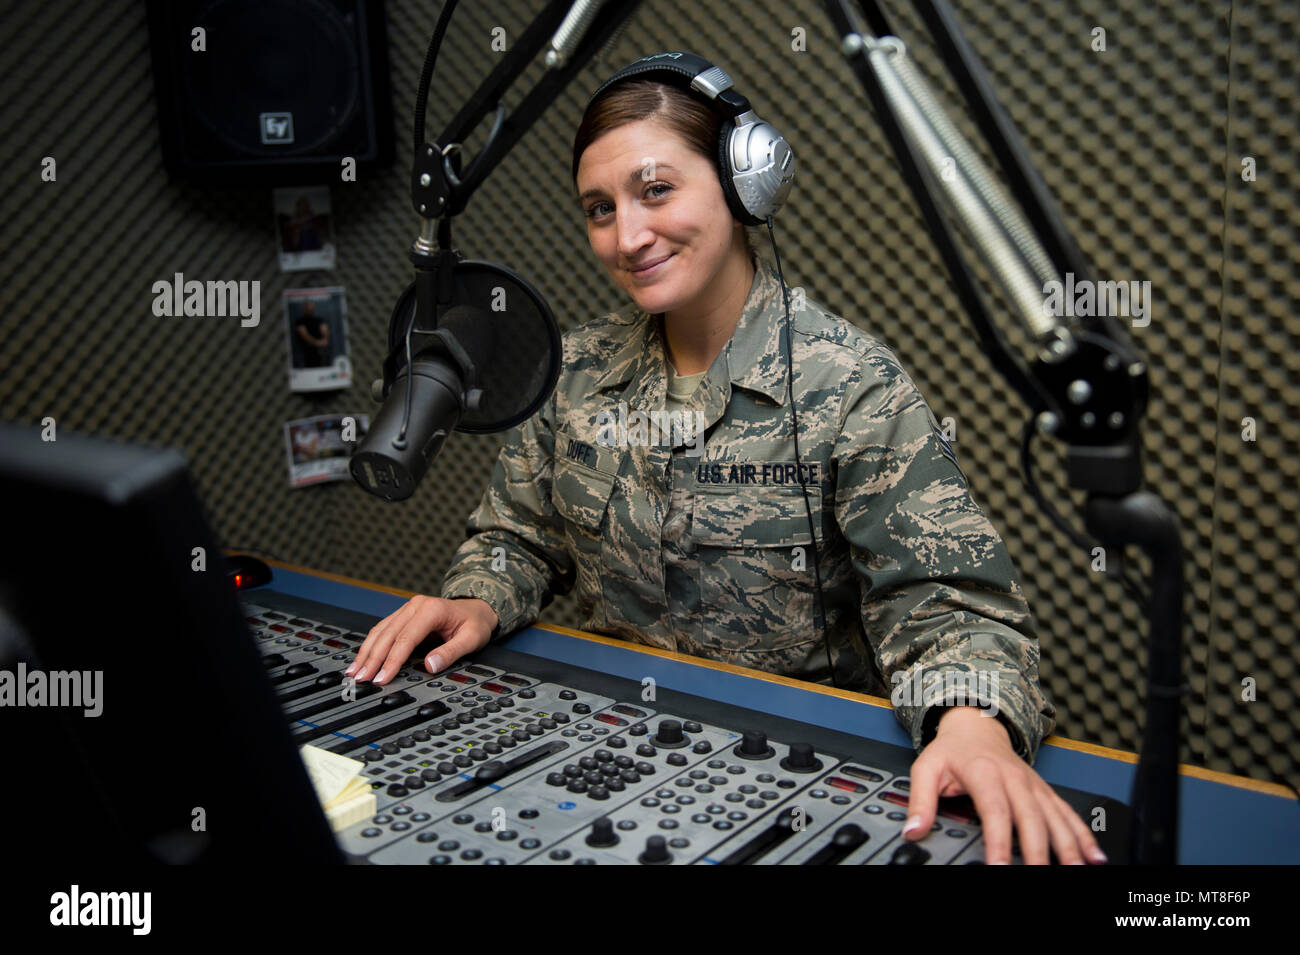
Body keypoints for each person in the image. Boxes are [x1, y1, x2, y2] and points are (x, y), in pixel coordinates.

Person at [347, 52, 1105, 865]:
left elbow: (950, 605)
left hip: (799, 785)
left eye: (656, 190)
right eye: (599, 208)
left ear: (746, 183)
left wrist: (972, 724)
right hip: (613, 756)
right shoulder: (572, 370)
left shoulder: (850, 385)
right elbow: (518, 538)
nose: (627, 237)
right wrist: (479, 596)